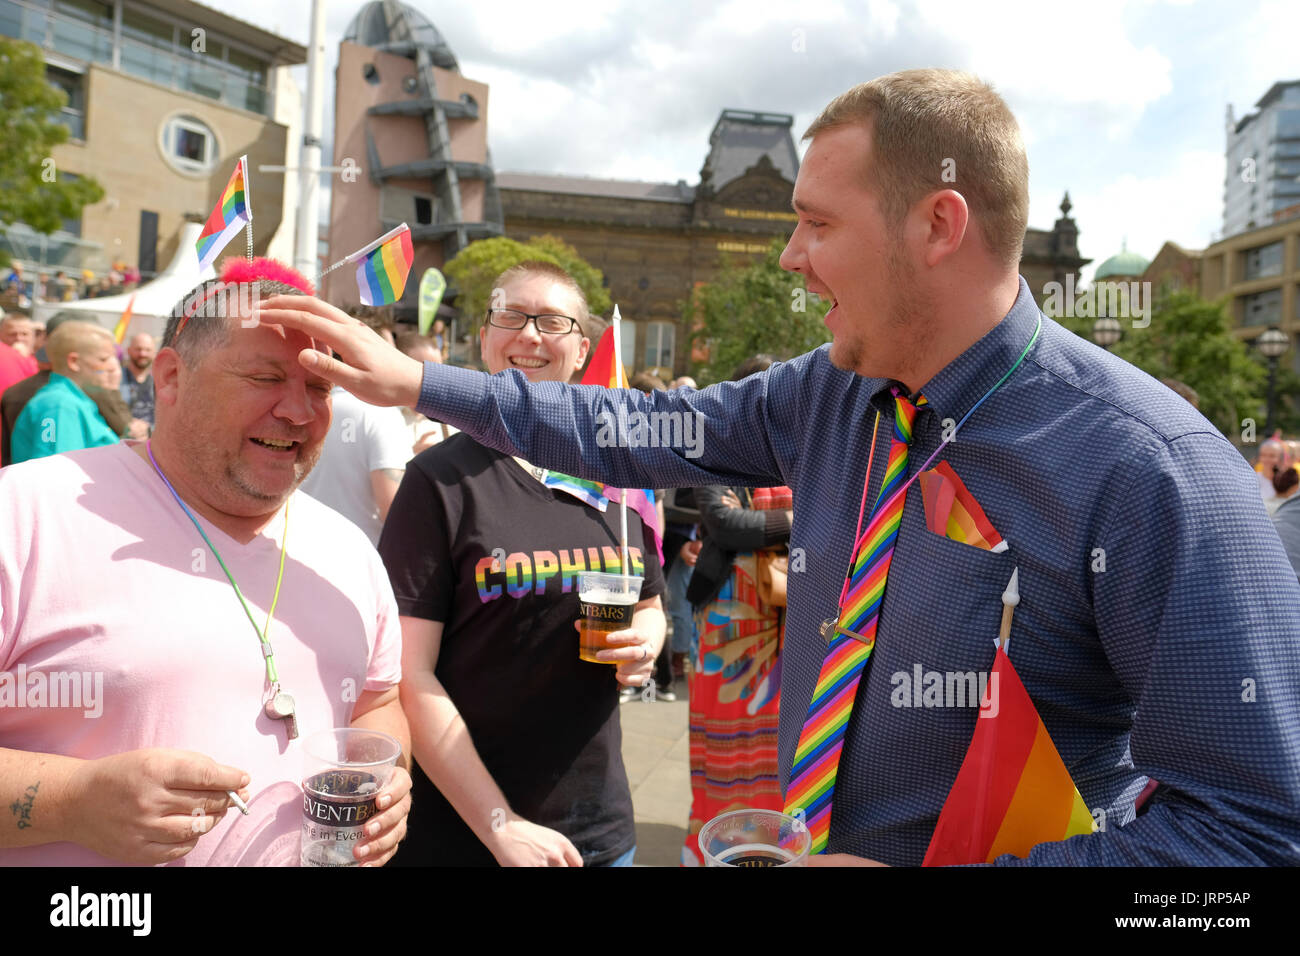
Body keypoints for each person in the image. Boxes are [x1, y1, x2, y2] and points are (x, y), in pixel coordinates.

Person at [254, 69, 1300, 866]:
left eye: (817, 224)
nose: (789, 258)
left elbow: (1252, 834)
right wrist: (420, 384)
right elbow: (626, 427)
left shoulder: (1156, 473)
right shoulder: (826, 391)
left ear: (937, 224)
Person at [0, 258, 411, 866]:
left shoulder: (350, 548)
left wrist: (386, 780)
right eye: (264, 377)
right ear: (170, 376)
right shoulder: (24, 514)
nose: (298, 411)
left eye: (319, 386)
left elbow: (379, 701)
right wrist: (73, 802)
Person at [378, 260, 666, 867]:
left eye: (553, 322)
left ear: (582, 348)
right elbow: (409, 675)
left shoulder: (616, 470)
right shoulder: (437, 482)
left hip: (599, 830)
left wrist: (645, 642)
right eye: (512, 316)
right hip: (465, 834)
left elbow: (651, 604)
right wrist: (499, 823)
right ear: (484, 338)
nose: (530, 335)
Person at [679, 359, 793, 865]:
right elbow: (725, 524)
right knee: (722, 746)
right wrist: (798, 518)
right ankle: (714, 844)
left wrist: (772, 522)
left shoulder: (808, 453)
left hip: (788, 628)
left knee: (776, 747)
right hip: (727, 632)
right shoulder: (714, 448)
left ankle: (773, 846)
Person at [0, 313, 135, 467]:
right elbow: (55, 474)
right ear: (73, 362)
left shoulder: (70, 400)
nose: (112, 367)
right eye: (103, 359)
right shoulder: (59, 405)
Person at [120, 332, 157, 426]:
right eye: (138, 349)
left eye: (147, 350)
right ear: (128, 351)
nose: (142, 354)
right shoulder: (116, 378)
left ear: (154, 353)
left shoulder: (160, 382)